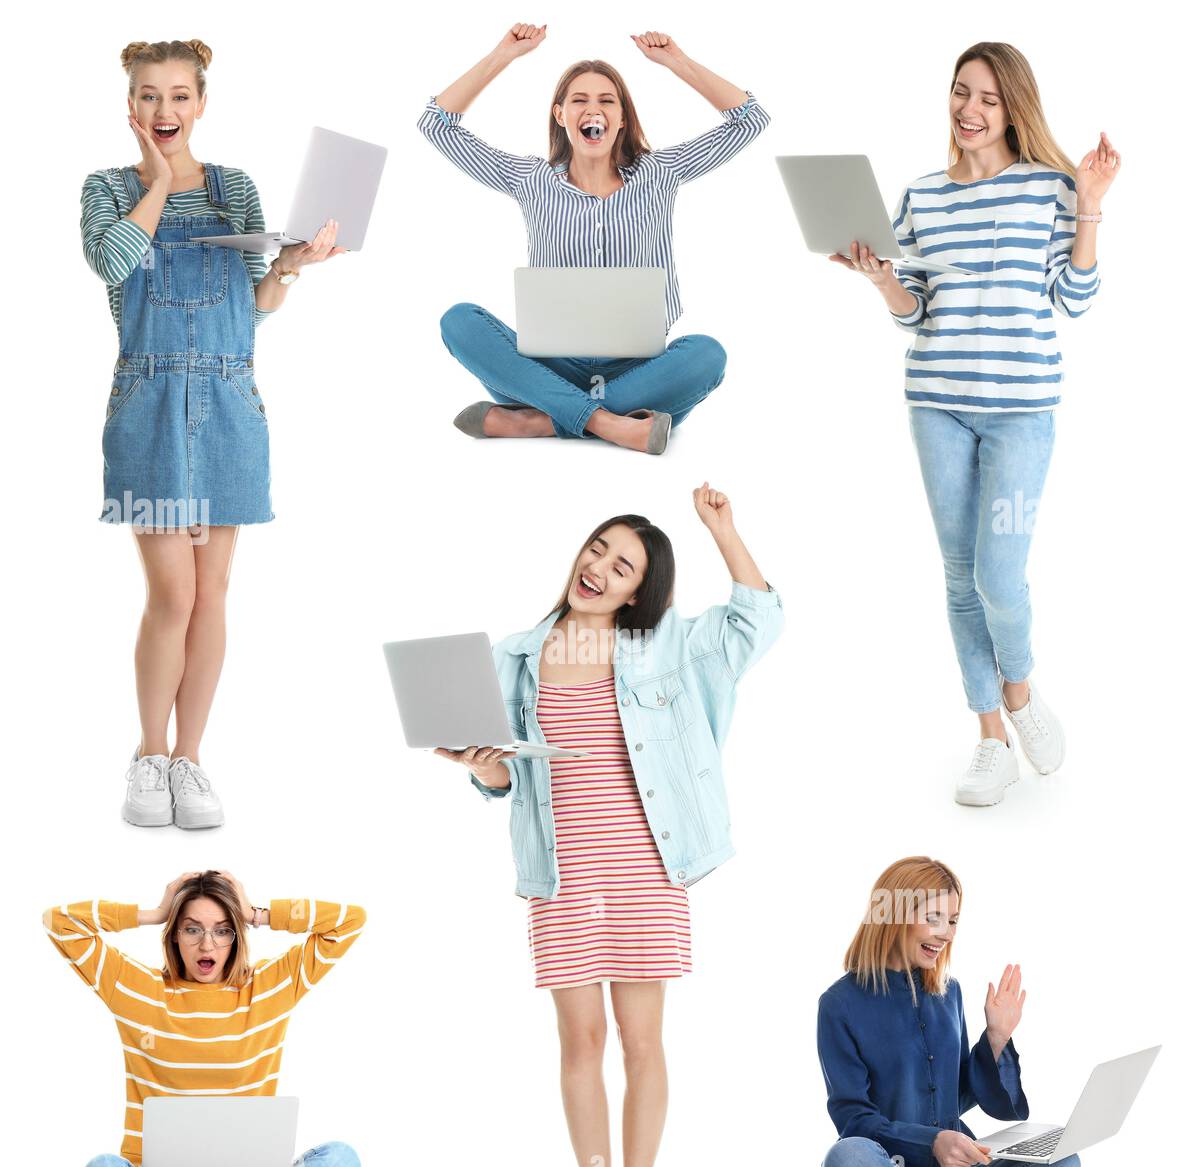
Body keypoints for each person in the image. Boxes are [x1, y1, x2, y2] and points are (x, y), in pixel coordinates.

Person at [436, 484, 782, 1167]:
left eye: (622, 566)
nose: (598, 568)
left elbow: (758, 621)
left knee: (641, 1041)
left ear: (639, 589)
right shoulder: (513, 657)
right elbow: (500, 786)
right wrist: (484, 770)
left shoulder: (665, 646)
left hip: (644, 867)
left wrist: (724, 532)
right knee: (579, 1042)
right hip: (560, 873)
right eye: (597, 548)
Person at [829, 43, 1119, 805]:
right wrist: (881, 279)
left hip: (1023, 409)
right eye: (962, 92)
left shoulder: (1047, 189)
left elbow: (1077, 300)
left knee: (999, 573)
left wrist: (1088, 203)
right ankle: (991, 737)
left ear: (1013, 107)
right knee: (960, 577)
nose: (970, 109)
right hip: (938, 405)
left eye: (988, 98)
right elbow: (914, 310)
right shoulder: (922, 195)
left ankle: (1020, 694)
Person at [83, 39, 344, 829]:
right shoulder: (106, 189)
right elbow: (112, 261)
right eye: (150, 98)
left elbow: (255, 306)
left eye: (179, 97)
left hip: (230, 403)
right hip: (152, 404)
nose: (166, 111)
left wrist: (293, 265)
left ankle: (192, 761)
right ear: (130, 108)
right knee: (174, 593)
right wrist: (159, 182)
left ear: (202, 104)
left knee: (214, 595)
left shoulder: (236, 191)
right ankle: (149, 754)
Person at [420, 24, 769, 452]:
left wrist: (676, 61)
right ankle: (610, 423)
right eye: (579, 101)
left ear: (621, 118)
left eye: (607, 101)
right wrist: (503, 55)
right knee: (459, 321)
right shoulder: (531, 180)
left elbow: (750, 119)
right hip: (547, 369)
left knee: (707, 355)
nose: (594, 110)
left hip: (638, 372)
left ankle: (541, 421)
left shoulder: (658, 174)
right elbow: (437, 125)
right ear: (560, 115)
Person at [45, 871, 365, 1167]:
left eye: (223, 930)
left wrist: (256, 913)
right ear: (174, 935)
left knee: (341, 1162)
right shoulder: (136, 988)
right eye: (191, 928)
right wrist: (154, 913)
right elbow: (60, 922)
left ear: (237, 936)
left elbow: (350, 920)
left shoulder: (269, 986)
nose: (207, 944)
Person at [817, 856, 1082, 1167]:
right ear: (894, 914)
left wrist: (996, 1038)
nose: (946, 933)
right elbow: (853, 1119)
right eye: (934, 917)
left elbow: (955, 1095)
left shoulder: (949, 992)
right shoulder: (839, 1005)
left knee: (1064, 1165)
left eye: (954, 920)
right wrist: (932, 1141)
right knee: (846, 1157)